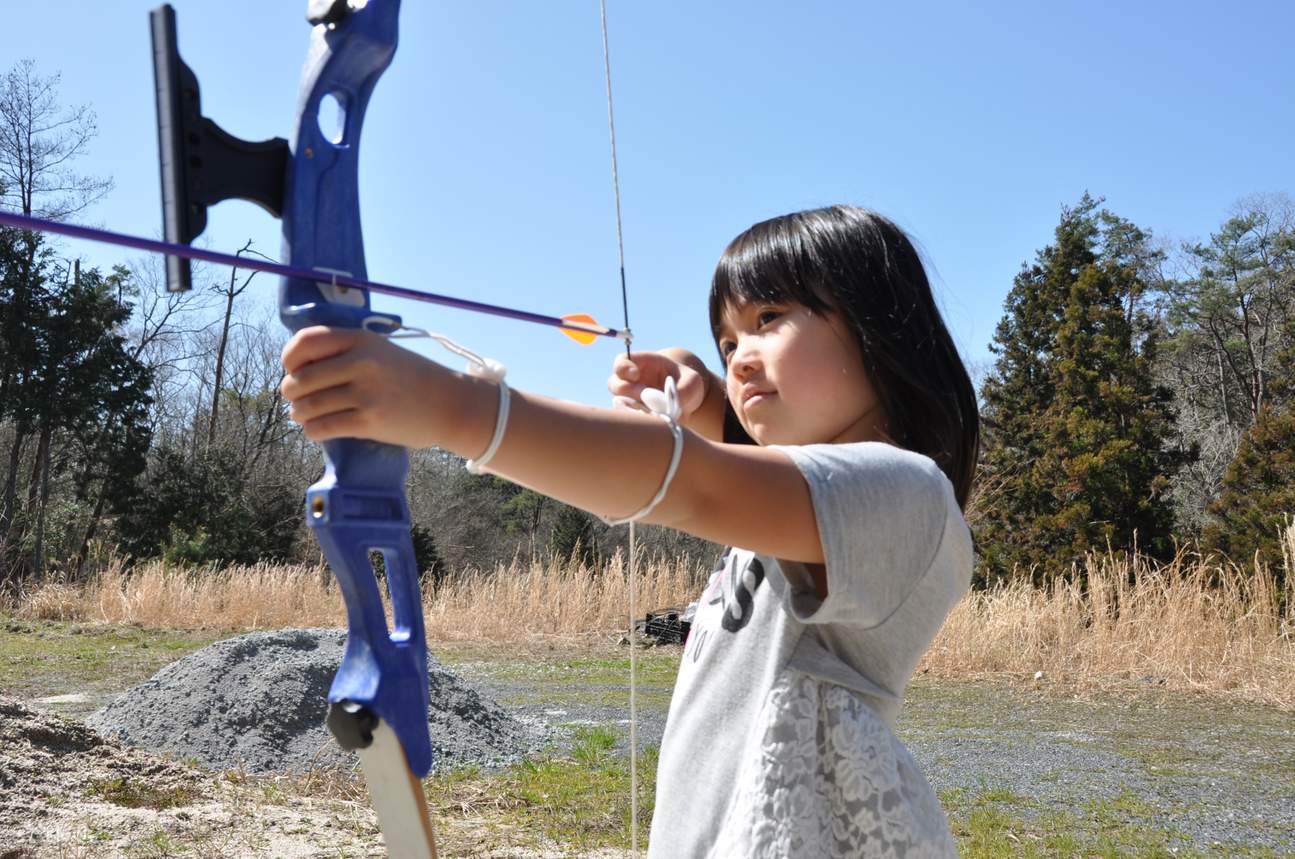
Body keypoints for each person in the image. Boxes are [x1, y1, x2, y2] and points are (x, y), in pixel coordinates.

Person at [280, 204, 978, 857]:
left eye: (769, 317)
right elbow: (749, 472)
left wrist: (456, 409)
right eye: (727, 339)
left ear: (877, 326)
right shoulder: (825, 506)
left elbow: (702, 484)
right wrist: (705, 394)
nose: (737, 355)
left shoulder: (905, 492)